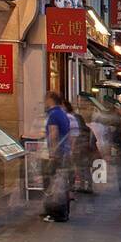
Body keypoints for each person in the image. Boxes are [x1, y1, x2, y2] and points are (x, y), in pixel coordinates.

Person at [43, 92, 72, 222]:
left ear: (50, 100)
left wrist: (52, 153)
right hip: (64, 152)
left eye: (46, 99)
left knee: (55, 184)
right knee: (61, 183)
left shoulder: (53, 114)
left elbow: (53, 134)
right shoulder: (63, 114)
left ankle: (57, 214)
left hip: (58, 154)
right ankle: (63, 212)